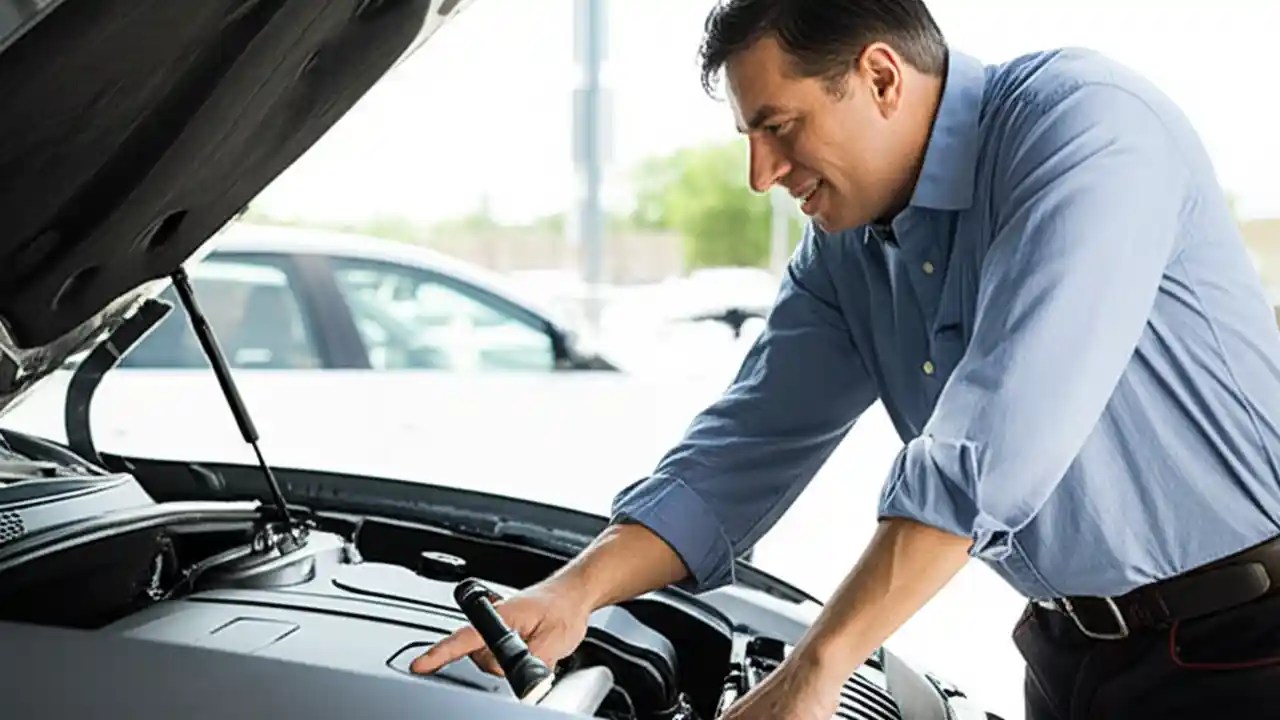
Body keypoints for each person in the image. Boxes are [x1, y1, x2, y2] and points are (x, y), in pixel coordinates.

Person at [411, 1, 1280, 717]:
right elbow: (741, 448)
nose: (761, 173)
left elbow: (991, 443)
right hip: (1069, 653)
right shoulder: (847, 252)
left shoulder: (1084, 129)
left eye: (779, 127)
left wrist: (817, 668)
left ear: (879, 77)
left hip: (1249, 642)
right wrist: (572, 593)